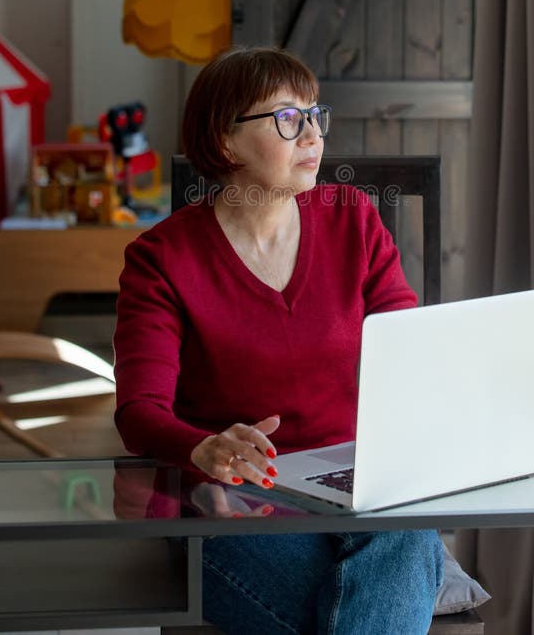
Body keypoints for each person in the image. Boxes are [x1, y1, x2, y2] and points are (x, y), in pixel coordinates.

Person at [114, 45, 444, 635]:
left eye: (315, 115)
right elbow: (139, 414)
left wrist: (487, 420)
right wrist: (202, 447)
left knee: (404, 533)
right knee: (400, 562)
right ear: (224, 141)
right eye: (288, 119)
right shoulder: (160, 260)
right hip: (227, 503)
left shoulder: (354, 219)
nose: (312, 134)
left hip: (355, 491)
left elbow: (411, 351)